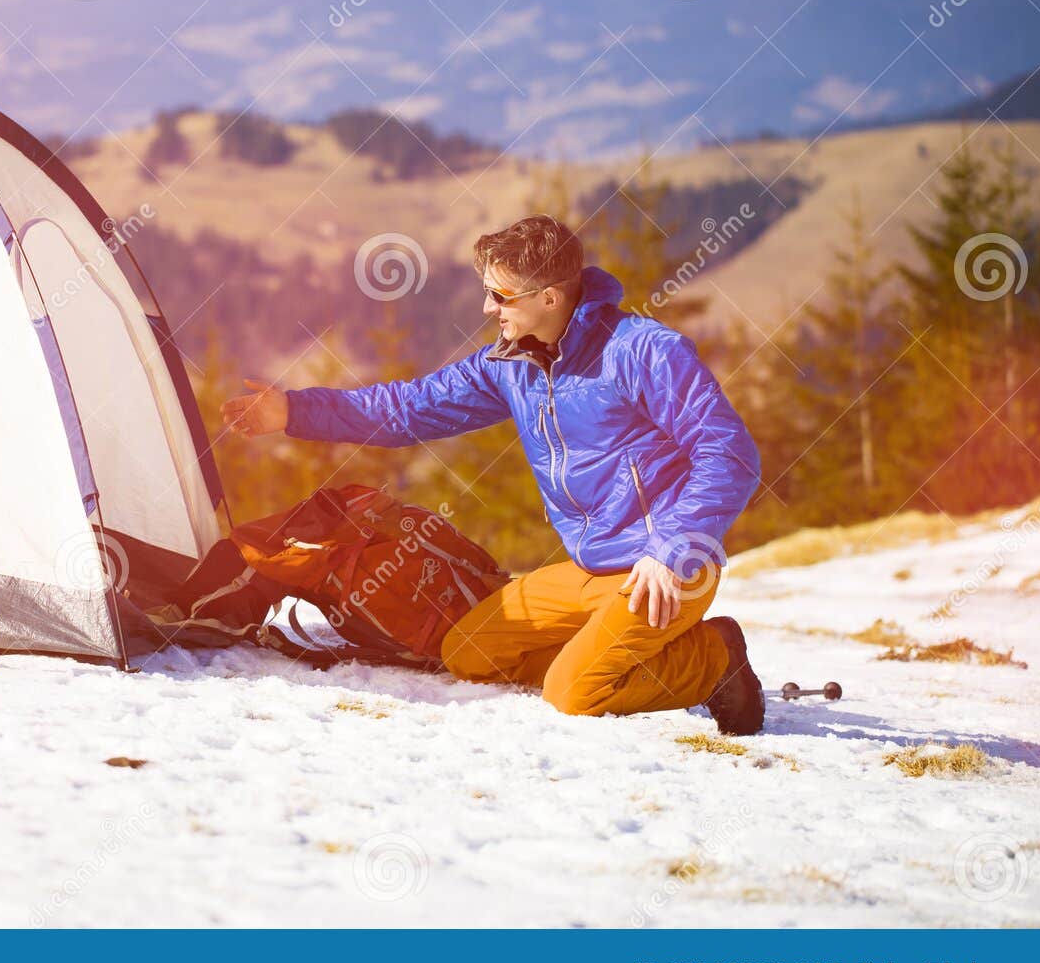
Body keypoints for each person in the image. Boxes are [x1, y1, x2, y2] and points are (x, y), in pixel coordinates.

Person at [221, 215, 765, 734]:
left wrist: (670, 547)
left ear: (548, 298)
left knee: (573, 693)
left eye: (500, 296)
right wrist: (292, 411)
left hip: (664, 568)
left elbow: (728, 454)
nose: (487, 307)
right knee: (468, 653)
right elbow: (410, 407)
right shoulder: (509, 365)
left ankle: (713, 656)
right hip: (591, 568)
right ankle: (615, 650)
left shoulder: (644, 351)